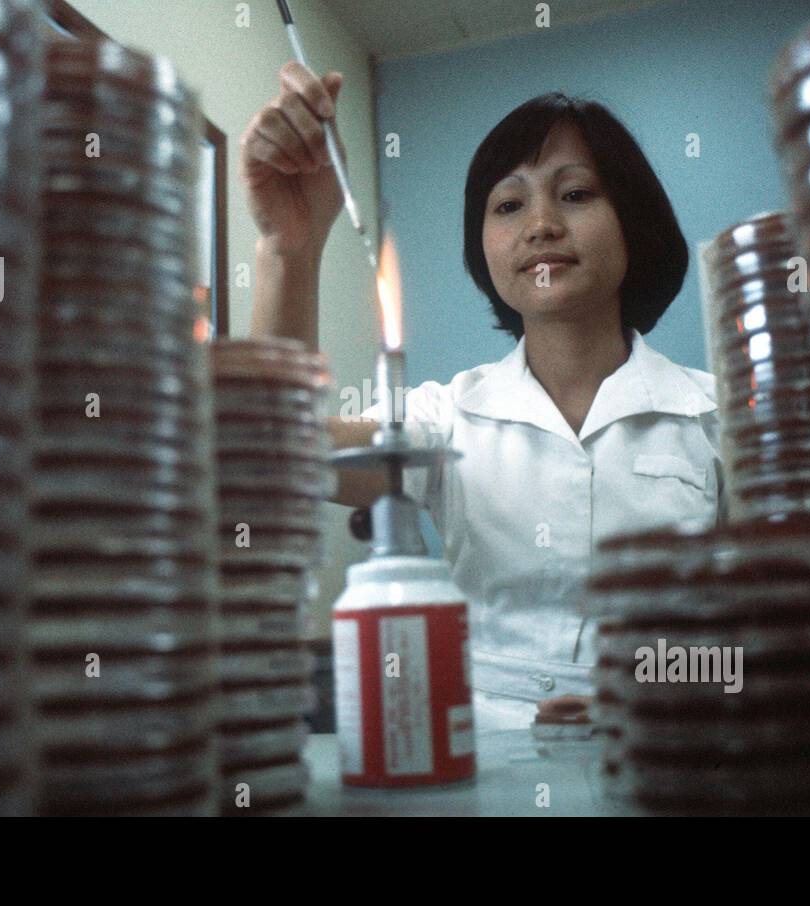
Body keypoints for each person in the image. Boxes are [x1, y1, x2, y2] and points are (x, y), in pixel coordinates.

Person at [240, 63, 722, 733]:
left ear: (632, 222)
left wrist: (656, 695)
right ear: (485, 247)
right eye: (509, 204)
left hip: (676, 754)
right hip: (479, 762)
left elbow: (791, 628)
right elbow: (277, 453)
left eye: (576, 194)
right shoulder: (448, 417)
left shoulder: (721, 418)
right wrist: (290, 249)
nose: (542, 224)